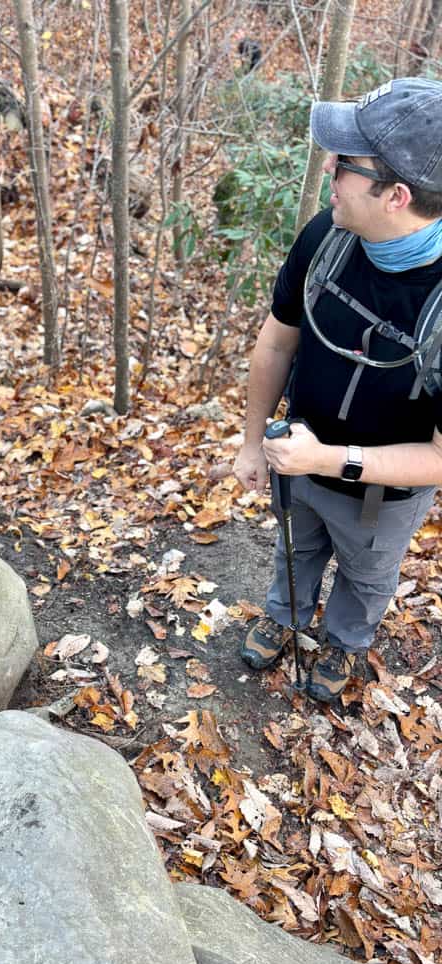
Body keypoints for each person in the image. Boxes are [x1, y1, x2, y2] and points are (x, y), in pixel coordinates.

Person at [234, 78, 442, 701]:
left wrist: (326, 460)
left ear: (396, 195)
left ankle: (345, 644)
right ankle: (285, 617)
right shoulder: (327, 235)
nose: (329, 167)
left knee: (367, 576)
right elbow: (278, 340)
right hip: (294, 463)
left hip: (384, 495)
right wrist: (252, 444)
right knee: (293, 548)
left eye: (345, 163)